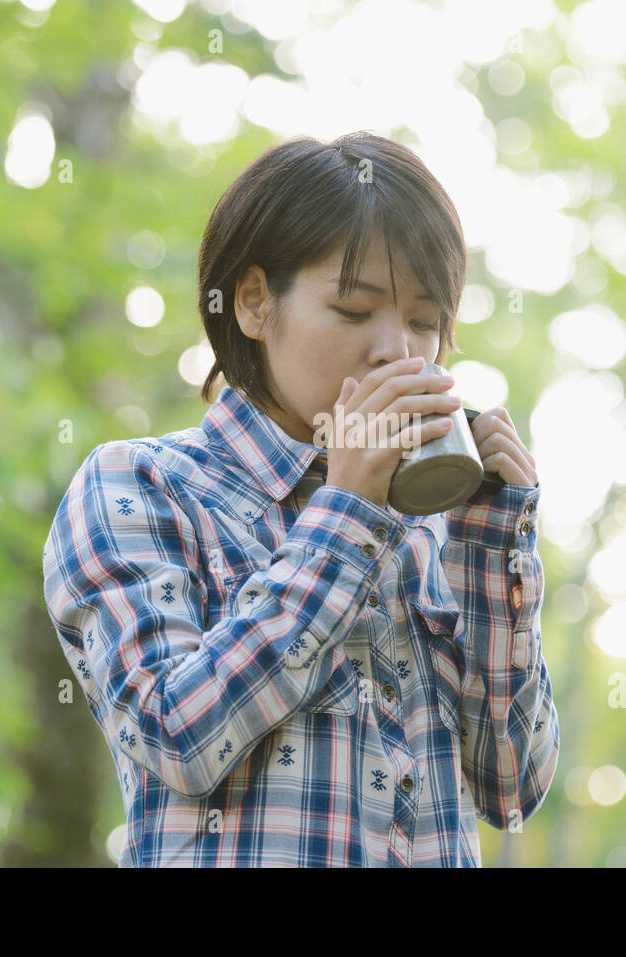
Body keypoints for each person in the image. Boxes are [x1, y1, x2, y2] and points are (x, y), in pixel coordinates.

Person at [42, 131, 559, 866]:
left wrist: (492, 553)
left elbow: (511, 790)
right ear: (254, 302)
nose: (398, 351)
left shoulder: (426, 529)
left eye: (423, 321)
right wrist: (347, 511)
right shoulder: (140, 484)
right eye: (354, 310)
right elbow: (176, 734)